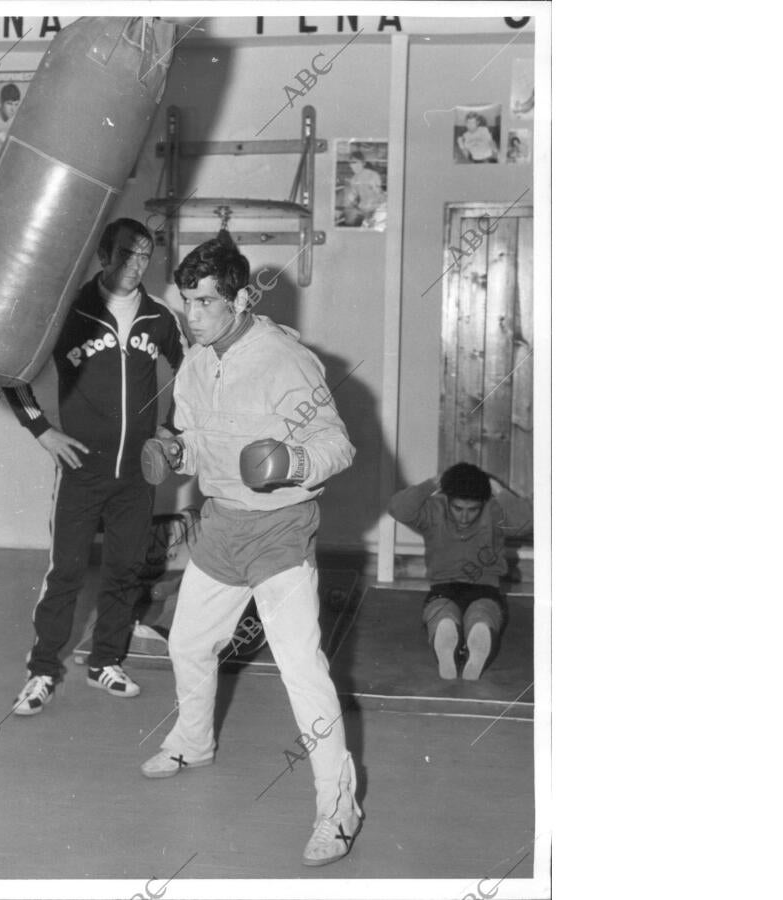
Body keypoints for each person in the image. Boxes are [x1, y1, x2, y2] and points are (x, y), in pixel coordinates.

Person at [139, 232, 362, 867]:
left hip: (279, 530)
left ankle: (338, 805)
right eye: (186, 301)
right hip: (222, 526)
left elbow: (338, 445)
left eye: (205, 302)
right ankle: (193, 741)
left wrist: (292, 458)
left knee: (301, 667)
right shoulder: (197, 358)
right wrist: (174, 450)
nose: (192, 315)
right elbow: (193, 435)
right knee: (187, 642)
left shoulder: (284, 360)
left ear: (240, 299)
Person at [4, 218, 186, 716]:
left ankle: (106, 660)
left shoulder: (158, 318)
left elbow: (192, 369)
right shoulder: (70, 311)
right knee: (66, 571)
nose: (134, 265)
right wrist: (43, 430)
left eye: (144, 256)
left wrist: (171, 428)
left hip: (135, 474)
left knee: (125, 568)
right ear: (104, 256)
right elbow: (11, 367)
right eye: (125, 255)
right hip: (82, 469)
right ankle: (41, 670)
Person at [388, 463, 533, 680]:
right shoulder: (434, 509)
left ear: (483, 502)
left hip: (486, 588)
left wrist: (500, 490)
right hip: (444, 588)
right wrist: (433, 483)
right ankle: (446, 638)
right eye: (458, 508)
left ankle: (479, 636)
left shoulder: (494, 510)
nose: (464, 517)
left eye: (472, 510)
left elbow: (526, 522)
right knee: (441, 613)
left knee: (483, 612)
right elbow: (398, 508)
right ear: (447, 499)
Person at [341, 150, 384, 227]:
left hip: (375, 212)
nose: (353, 166)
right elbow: (352, 198)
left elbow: (379, 195)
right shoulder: (354, 179)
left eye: (356, 162)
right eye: (351, 163)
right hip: (363, 212)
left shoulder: (372, 175)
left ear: (363, 163)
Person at [0, 83, 22, 166]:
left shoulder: (18, 120)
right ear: (1, 102)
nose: (13, 109)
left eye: (16, 104)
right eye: (9, 104)